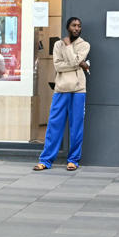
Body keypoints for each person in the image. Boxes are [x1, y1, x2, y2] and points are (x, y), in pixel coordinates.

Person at [33, 17, 91, 172]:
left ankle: (73, 160)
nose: (77, 28)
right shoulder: (58, 44)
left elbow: (74, 61)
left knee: (76, 126)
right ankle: (46, 160)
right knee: (54, 125)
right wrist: (78, 64)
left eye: (79, 26)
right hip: (61, 89)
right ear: (68, 27)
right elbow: (58, 66)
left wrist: (69, 46)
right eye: (74, 25)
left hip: (78, 90)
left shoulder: (85, 45)